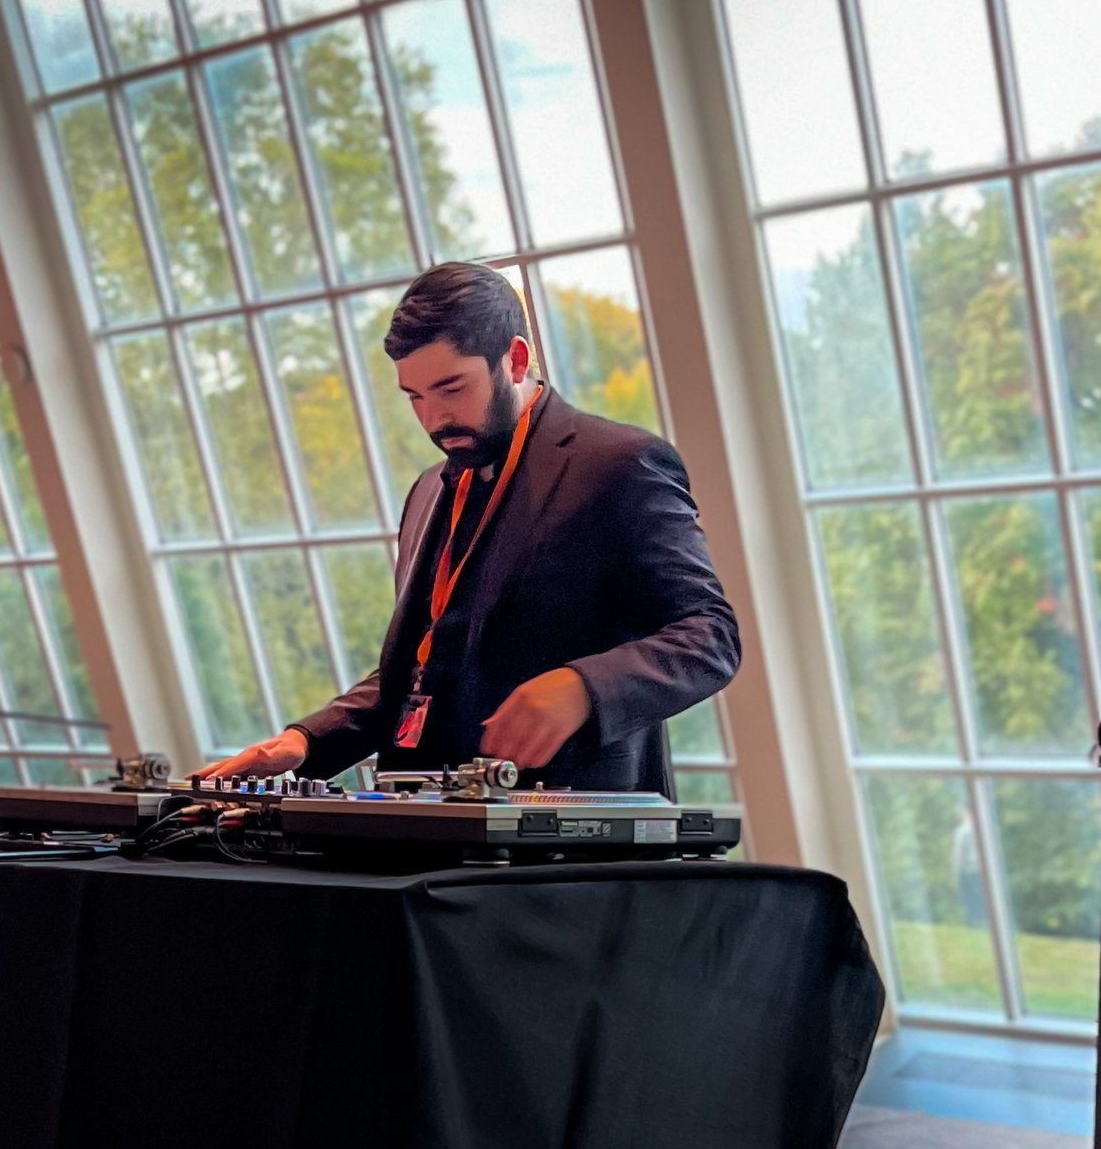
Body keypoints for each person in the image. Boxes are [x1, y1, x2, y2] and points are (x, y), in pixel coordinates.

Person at [204, 261, 740, 792]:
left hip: (570, 841)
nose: (434, 419)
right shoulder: (427, 491)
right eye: (415, 397)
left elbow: (711, 636)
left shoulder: (620, 465)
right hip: (433, 831)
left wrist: (583, 688)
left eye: (451, 388)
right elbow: (425, 667)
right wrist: (307, 742)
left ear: (515, 359)